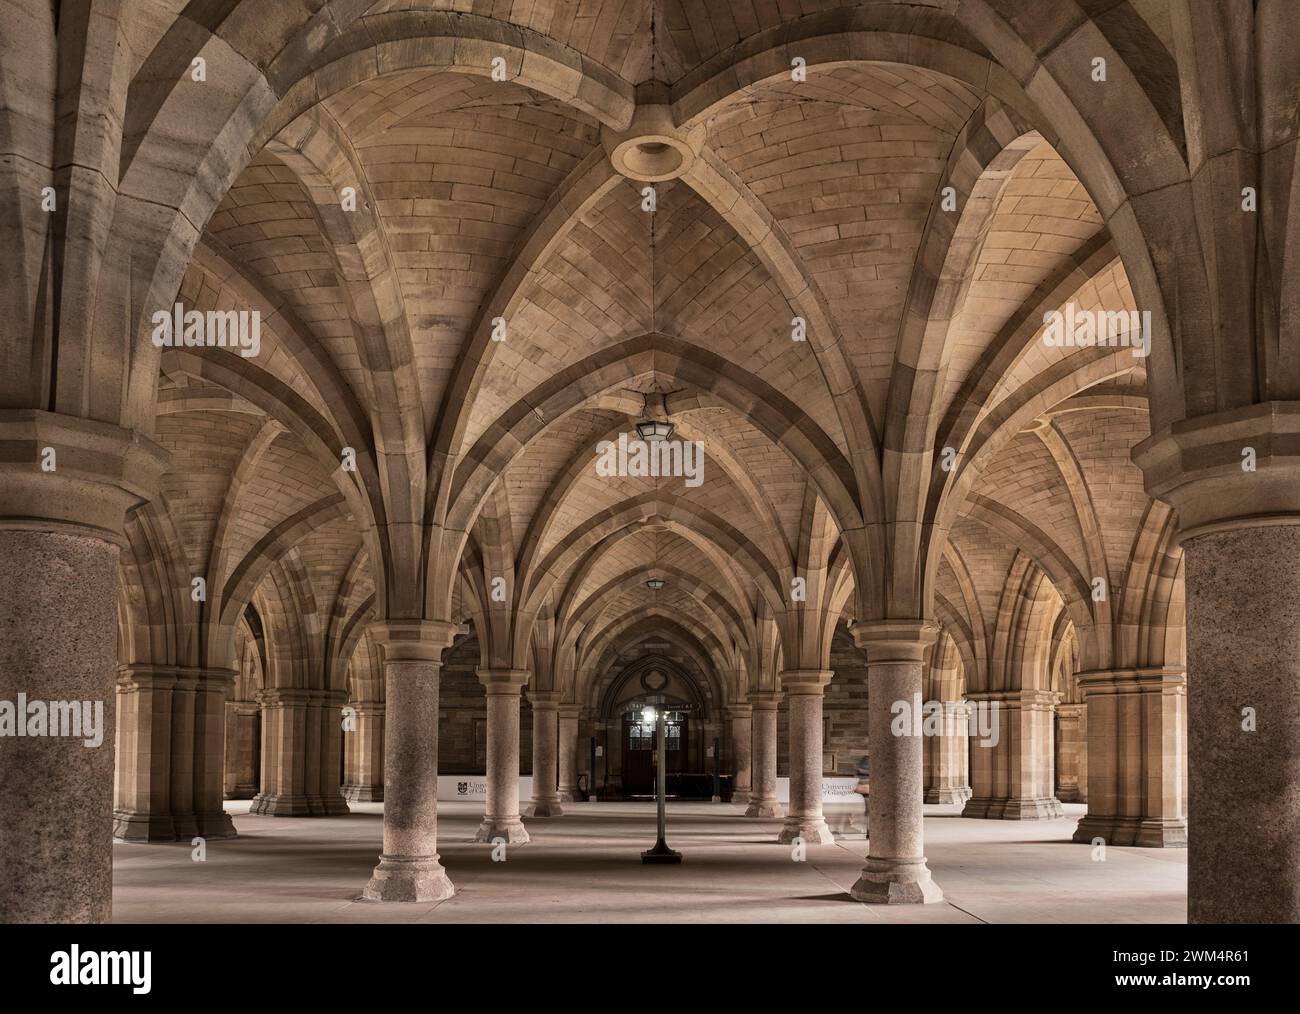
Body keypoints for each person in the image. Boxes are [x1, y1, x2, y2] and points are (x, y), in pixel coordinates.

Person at [853, 754, 870, 836]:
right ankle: (869, 831)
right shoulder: (867, 760)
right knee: (870, 811)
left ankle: (869, 831)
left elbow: (858, 772)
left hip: (867, 788)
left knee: (869, 811)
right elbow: (859, 771)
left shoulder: (865, 760)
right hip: (868, 788)